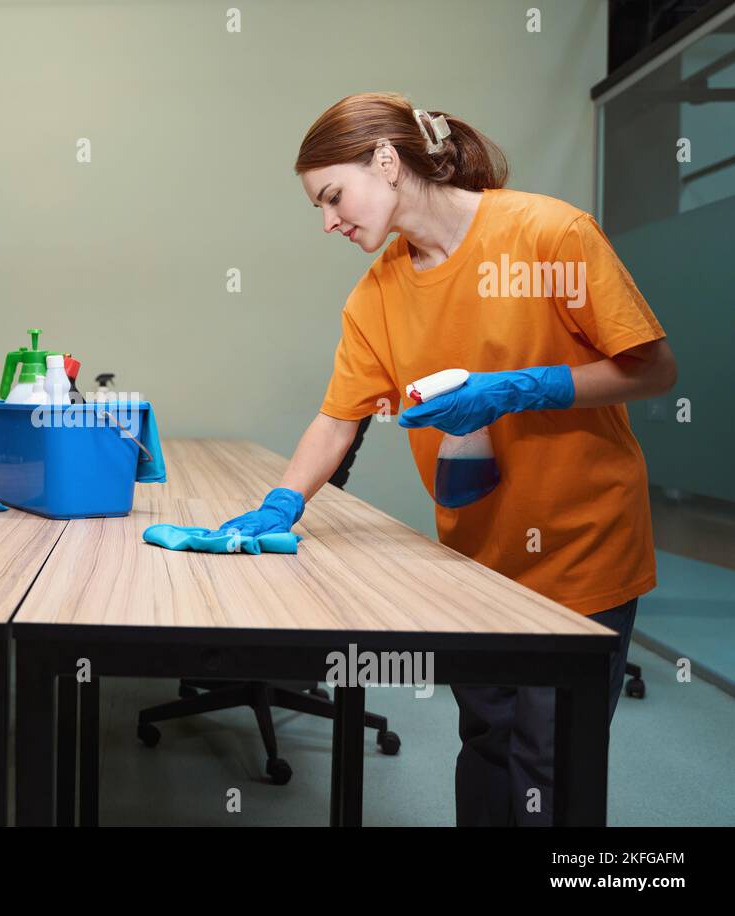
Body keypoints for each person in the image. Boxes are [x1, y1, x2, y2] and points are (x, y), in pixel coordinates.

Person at [218, 91, 676, 826]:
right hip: (476, 560)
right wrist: (283, 502)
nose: (330, 220)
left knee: (548, 762)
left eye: (333, 196)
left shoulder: (547, 233)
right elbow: (338, 421)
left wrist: (523, 388)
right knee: (488, 745)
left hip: (583, 548)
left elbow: (654, 370)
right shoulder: (377, 294)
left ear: (388, 161)